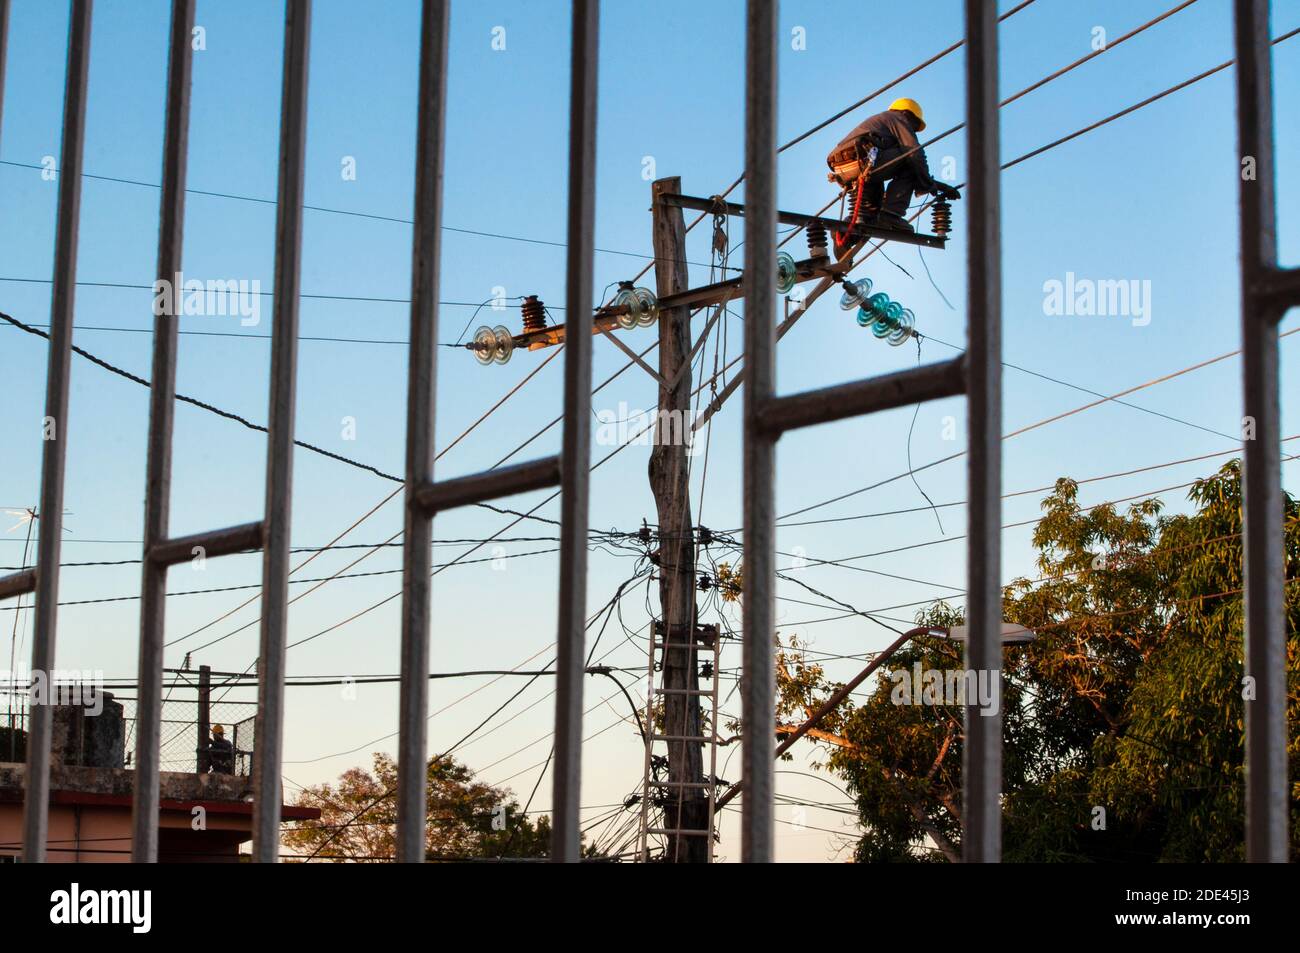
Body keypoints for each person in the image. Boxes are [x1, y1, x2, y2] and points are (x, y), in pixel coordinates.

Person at [826, 98, 961, 246]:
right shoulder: (897, 118)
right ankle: (891, 215)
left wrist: (940, 186)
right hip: (863, 160)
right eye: (914, 126)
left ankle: (846, 233)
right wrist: (927, 184)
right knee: (910, 159)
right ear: (906, 113)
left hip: (844, 167)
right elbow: (915, 154)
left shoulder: (880, 121)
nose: (913, 130)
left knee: (870, 214)